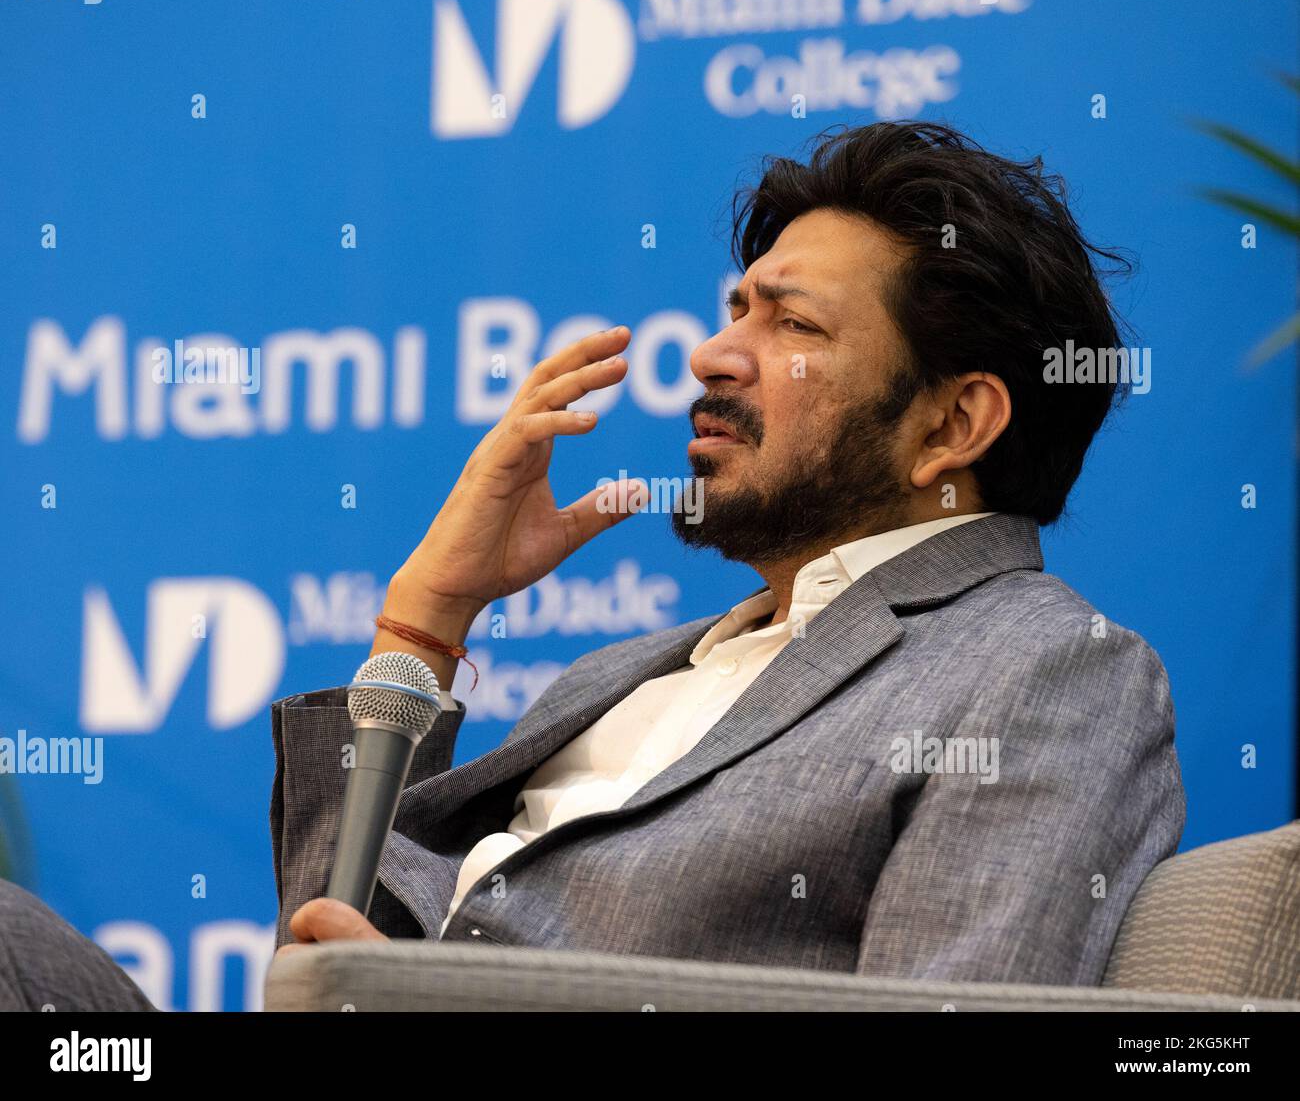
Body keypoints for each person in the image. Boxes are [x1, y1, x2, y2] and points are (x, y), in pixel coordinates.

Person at [274, 121, 1185, 985]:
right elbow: (322, 950)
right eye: (737, 310)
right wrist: (431, 611)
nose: (712, 354)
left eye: (793, 325)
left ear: (952, 422)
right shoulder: (618, 676)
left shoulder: (1047, 671)